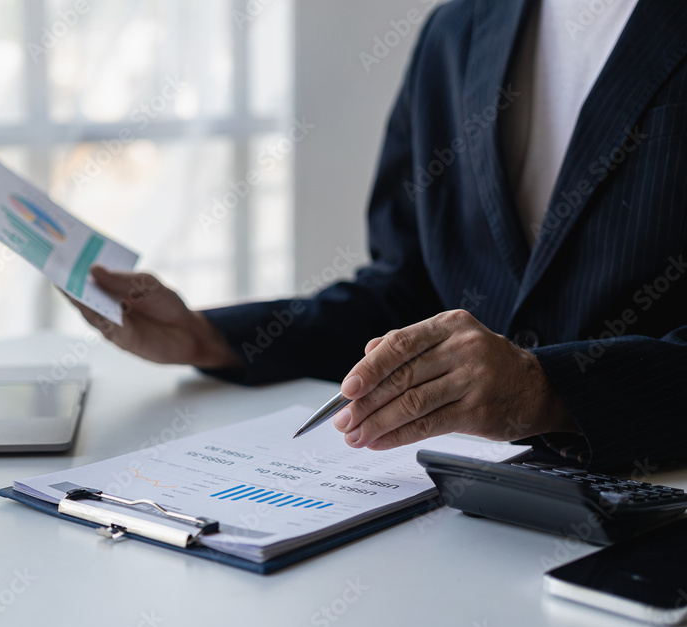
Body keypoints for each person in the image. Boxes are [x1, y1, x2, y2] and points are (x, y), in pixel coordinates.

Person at [70, 0, 687, 471]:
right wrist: (213, 338)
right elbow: (402, 293)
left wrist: (546, 390)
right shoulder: (456, 31)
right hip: (466, 509)